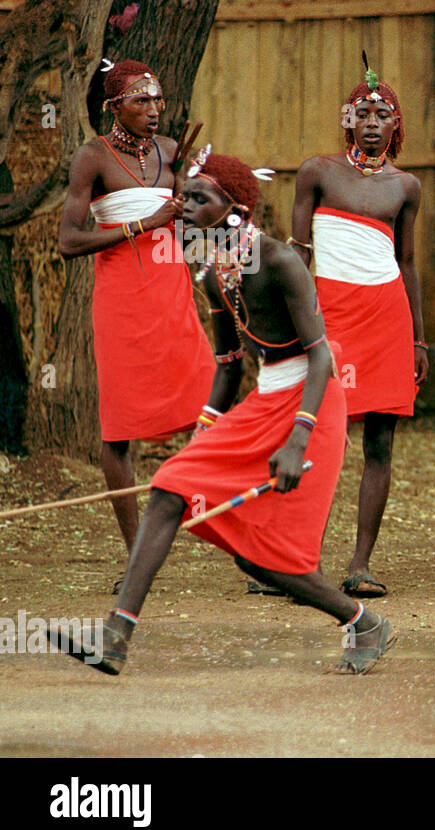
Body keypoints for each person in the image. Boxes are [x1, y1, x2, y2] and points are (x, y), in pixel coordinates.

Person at [50, 150, 395, 675]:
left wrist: (297, 440)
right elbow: (230, 366)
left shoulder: (279, 261)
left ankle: (361, 620)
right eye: (184, 195)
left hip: (312, 404)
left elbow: (322, 355)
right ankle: (116, 635)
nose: (183, 206)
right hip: (263, 404)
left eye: (197, 198)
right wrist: (205, 434)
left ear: (234, 211)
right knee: (171, 486)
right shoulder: (214, 273)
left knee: (263, 558)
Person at [56, 60, 213, 583]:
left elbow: (190, 222)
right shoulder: (91, 157)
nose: (154, 110)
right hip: (122, 300)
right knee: (119, 431)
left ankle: (245, 539)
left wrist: (194, 211)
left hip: (172, 292)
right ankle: (137, 557)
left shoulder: (170, 151)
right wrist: (143, 224)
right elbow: (68, 242)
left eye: (158, 101)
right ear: (114, 105)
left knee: (207, 408)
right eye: (141, 101)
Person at [290, 60, 424, 599]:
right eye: (363, 113)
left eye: (383, 114)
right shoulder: (316, 172)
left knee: (379, 443)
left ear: (396, 126)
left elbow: (409, 261)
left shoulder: (407, 186)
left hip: (387, 316)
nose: (372, 122)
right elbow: (298, 256)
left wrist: (418, 336)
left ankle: (360, 564)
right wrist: (296, 321)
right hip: (329, 315)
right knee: (314, 435)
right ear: (348, 121)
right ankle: (295, 558)